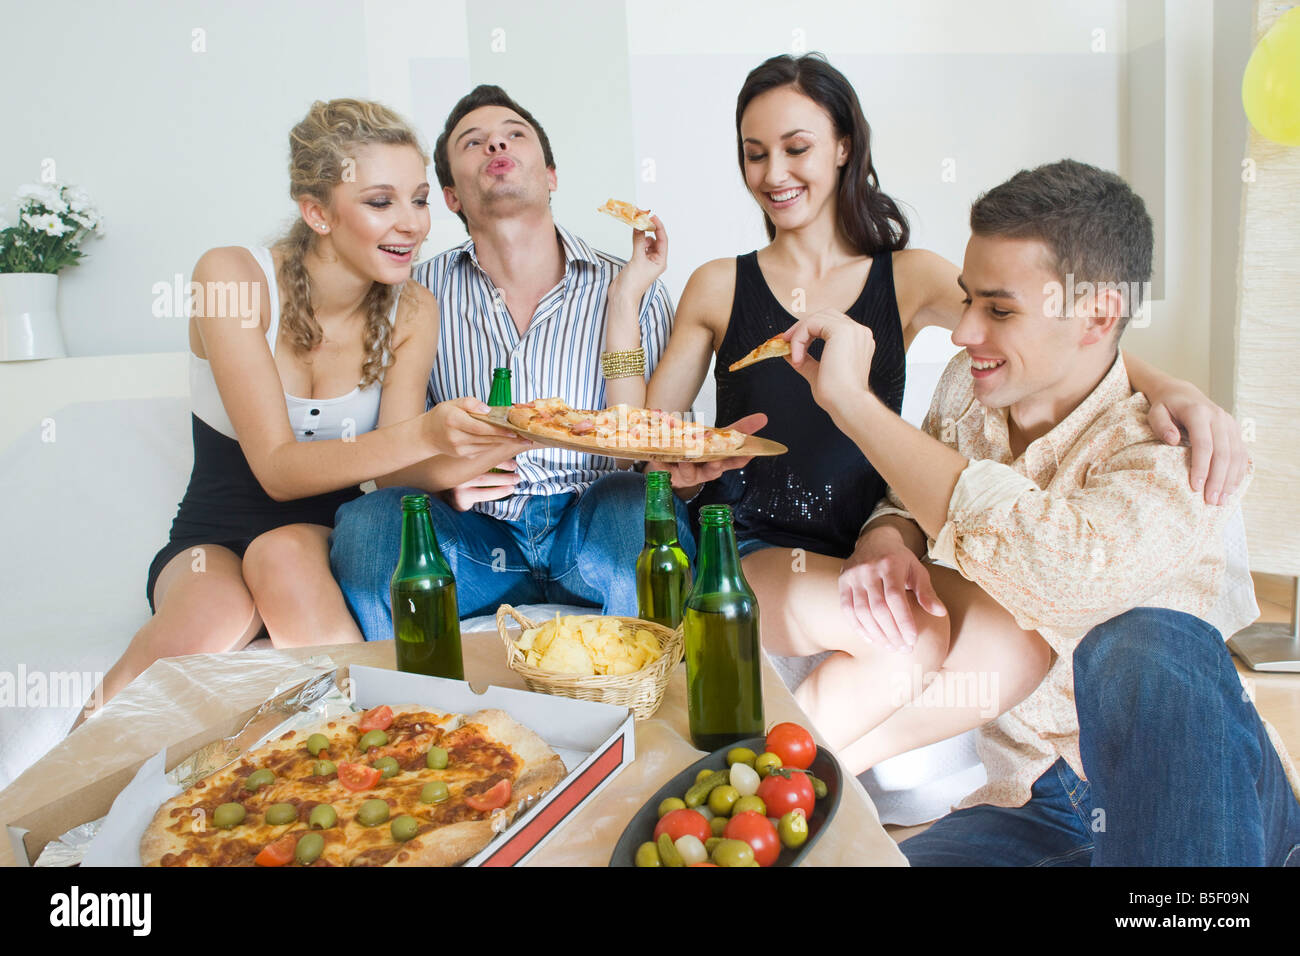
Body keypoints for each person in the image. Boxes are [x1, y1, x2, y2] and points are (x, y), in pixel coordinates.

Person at [627, 53, 1248, 767]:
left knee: (1012, 638)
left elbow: (1045, 343)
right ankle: (748, 781)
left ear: (843, 147)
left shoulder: (910, 275)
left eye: (795, 147)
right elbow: (648, 442)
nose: (773, 173)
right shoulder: (716, 284)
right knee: (913, 634)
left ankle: (791, 781)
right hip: (762, 543)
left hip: (880, 540)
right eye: (754, 153)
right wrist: (682, 450)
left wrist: (1170, 387)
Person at [782, 158, 1300, 865]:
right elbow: (908, 490)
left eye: (999, 310)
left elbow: (1057, 572)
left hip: (1199, 800)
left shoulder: (1176, 453)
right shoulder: (969, 389)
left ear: (1099, 314)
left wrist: (854, 406)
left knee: (1139, 645)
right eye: (967, 300)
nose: (963, 332)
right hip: (1040, 799)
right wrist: (888, 533)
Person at [74, 99, 513, 729]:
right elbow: (278, 470)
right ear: (317, 213)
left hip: (318, 531)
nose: (414, 224)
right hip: (214, 532)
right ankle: (38, 807)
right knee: (204, 622)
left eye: (419, 199)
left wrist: (472, 455)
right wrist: (421, 433)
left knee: (281, 556)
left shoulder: (413, 309)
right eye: (381, 201)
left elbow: (389, 474)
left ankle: (382, 756)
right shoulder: (231, 278)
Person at [328, 85, 726, 639]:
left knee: (633, 505)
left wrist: (624, 299)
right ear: (450, 197)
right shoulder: (414, 294)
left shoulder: (632, 287)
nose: (496, 143)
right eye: (474, 142)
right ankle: (412, 709)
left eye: (514, 134)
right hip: (473, 536)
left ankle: (640, 702)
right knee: (372, 522)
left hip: (590, 522)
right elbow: (393, 448)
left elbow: (641, 442)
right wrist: (446, 485)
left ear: (551, 175)